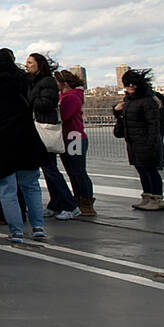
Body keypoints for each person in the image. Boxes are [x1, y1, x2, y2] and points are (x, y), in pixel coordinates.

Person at [0, 49, 49, 243]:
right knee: (31, 185)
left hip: (0, 144)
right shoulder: (23, 84)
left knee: (7, 190)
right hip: (27, 140)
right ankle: (38, 226)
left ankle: (16, 231)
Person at [24, 53, 80, 220]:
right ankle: (56, 204)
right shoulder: (36, 82)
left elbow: (46, 104)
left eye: (30, 62)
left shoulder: (46, 82)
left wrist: (30, 99)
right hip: (40, 128)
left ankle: (70, 204)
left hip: (44, 127)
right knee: (49, 169)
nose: (27, 65)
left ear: (39, 65)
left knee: (50, 169)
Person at [114, 68, 164, 211]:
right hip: (133, 140)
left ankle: (156, 198)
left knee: (150, 170)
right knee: (141, 169)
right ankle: (147, 196)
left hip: (144, 140)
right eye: (127, 84)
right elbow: (125, 119)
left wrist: (152, 143)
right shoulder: (129, 101)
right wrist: (117, 111)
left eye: (133, 84)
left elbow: (153, 124)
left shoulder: (147, 101)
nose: (130, 87)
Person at [55, 70, 96, 217]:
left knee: (78, 170)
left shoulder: (71, 98)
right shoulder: (67, 96)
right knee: (73, 171)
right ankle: (80, 198)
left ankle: (85, 201)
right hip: (71, 136)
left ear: (63, 83)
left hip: (74, 136)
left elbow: (64, 116)